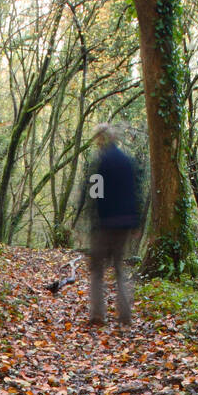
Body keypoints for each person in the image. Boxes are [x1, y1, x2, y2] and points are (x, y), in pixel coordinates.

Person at [75, 125, 141, 327]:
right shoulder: (128, 162)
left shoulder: (100, 163)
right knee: (120, 270)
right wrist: (136, 223)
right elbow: (136, 194)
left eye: (97, 138)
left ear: (102, 139)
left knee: (97, 271)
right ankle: (125, 316)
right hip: (125, 225)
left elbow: (95, 195)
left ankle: (97, 316)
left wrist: (88, 221)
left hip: (104, 224)